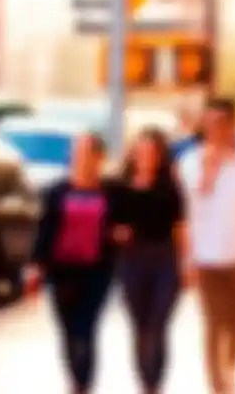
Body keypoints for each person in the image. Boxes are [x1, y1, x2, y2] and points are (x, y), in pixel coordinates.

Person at [176, 97, 235, 394]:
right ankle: (219, 386)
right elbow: (188, 212)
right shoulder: (190, 162)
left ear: (232, 125)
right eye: (209, 123)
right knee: (215, 325)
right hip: (206, 258)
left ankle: (230, 370)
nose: (215, 130)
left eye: (221, 124)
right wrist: (208, 173)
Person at [31, 132, 124, 394]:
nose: (79, 158)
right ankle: (75, 379)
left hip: (97, 272)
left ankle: (83, 385)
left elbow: (123, 221)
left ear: (98, 157)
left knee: (86, 329)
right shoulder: (56, 192)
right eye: (76, 152)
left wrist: (119, 234)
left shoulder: (111, 192)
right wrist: (36, 266)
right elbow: (45, 229)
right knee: (69, 331)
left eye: (86, 153)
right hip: (62, 272)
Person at [114, 127, 188, 394]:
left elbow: (181, 227)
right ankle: (144, 381)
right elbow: (109, 224)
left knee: (157, 325)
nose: (145, 156)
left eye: (151, 152)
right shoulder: (119, 187)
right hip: (132, 262)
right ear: (133, 154)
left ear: (159, 156)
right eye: (141, 151)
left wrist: (186, 265)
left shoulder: (169, 188)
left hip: (164, 260)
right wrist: (117, 232)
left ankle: (155, 384)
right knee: (140, 326)